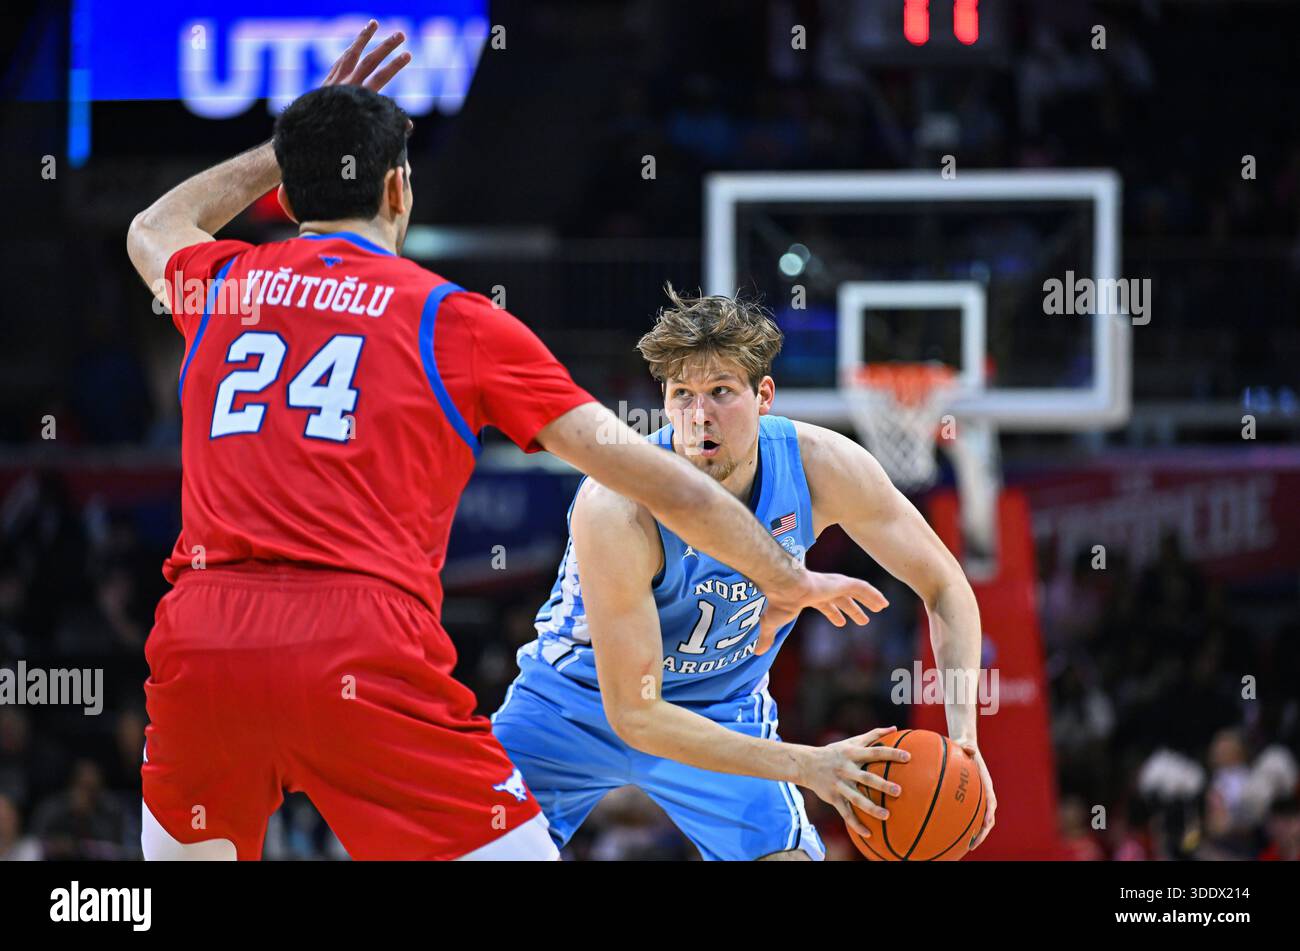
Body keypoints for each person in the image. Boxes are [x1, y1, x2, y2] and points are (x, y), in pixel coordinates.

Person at [124, 23, 878, 861]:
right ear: (400, 191)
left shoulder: (222, 282)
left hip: (204, 640)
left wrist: (290, 147)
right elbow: (671, 487)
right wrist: (787, 573)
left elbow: (153, 226)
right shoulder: (457, 322)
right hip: (360, 643)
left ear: (293, 201)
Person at [493, 288, 997, 860]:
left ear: (764, 397)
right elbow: (635, 714)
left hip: (720, 707)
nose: (698, 415)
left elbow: (945, 586)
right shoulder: (617, 505)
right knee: (467, 847)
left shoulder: (823, 467)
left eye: (720, 393)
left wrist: (964, 737)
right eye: (681, 394)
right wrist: (810, 765)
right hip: (571, 706)